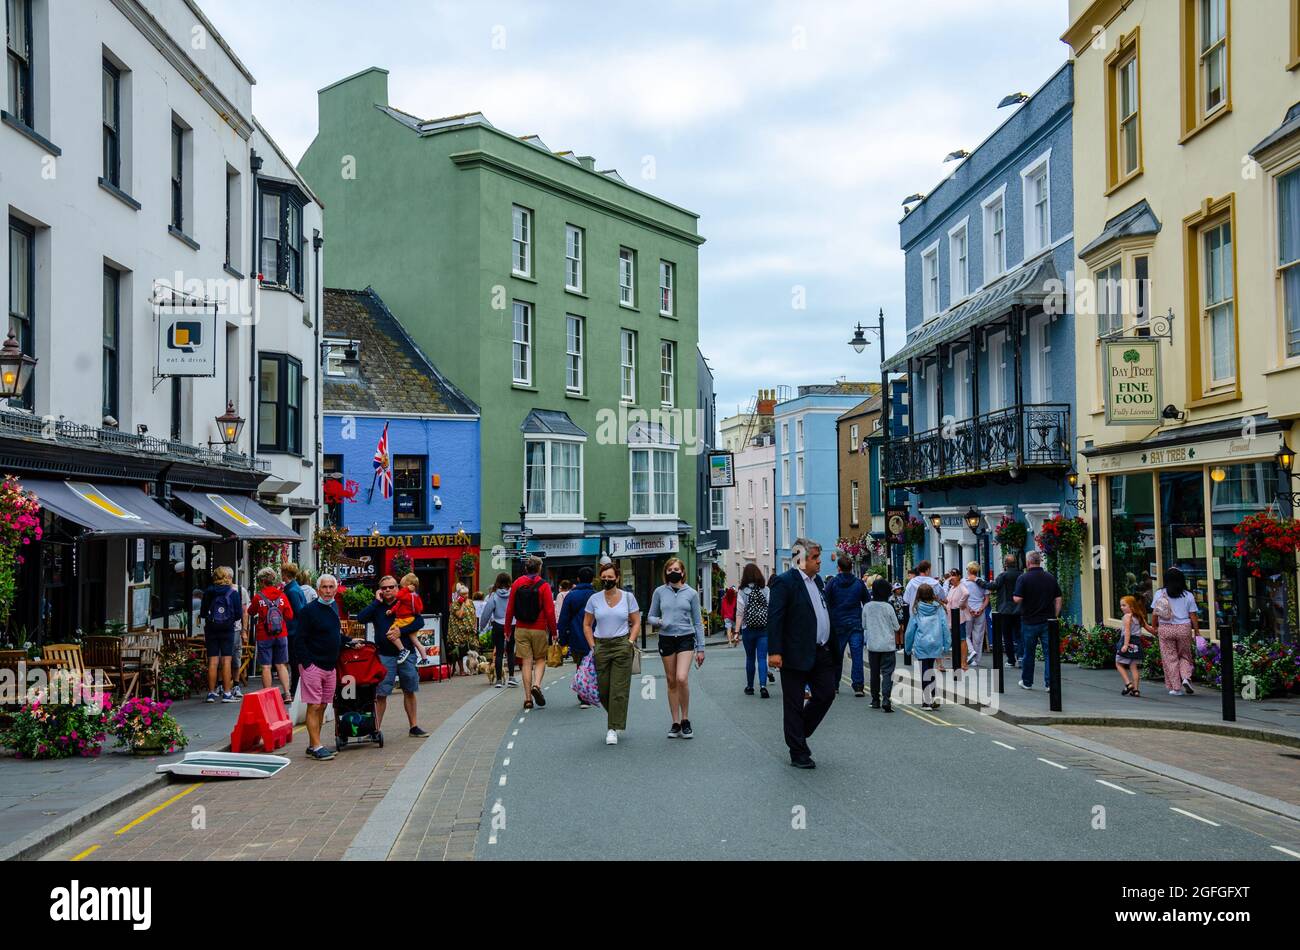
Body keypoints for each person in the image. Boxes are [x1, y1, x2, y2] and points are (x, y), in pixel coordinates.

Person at [767, 538, 835, 769]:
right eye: (815, 558)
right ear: (800, 559)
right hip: (794, 652)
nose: (819, 562)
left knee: (826, 694)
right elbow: (775, 618)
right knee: (794, 703)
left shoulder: (818, 583)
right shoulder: (784, 583)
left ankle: (798, 733)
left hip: (820, 651)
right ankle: (798, 751)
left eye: (818, 557)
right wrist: (774, 651)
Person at [355, 576, 430, 738]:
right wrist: (376, 602)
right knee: (381, 693)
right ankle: (375, 729)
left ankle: (414, 726)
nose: (387, 590)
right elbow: (360, 618)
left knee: (409, 690)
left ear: (397, 587)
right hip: (384, 655)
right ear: (379, 590)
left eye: (391, 587)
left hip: (407, 653)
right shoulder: (377, 607)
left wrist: (401, 631)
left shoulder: (406, 601)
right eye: (384, 588)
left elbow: (419, 622)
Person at [647, 557, 705, 739]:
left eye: (676, 569)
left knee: (681, 678)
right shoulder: (659, 592)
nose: (673, 571)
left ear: (682, 572)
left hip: (686, 638)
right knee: (671, 680)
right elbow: (650, 616)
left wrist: (701, 648)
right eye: (670, 569)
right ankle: (675, 722)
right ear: (665, 572)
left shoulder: (691, 593)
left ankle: (686, 719)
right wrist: (660, 622)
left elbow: (697, 622)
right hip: (666, 638)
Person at [583, 562, 641, 745]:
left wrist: (630, 642)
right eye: (604, 577)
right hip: (601, 646)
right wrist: (593, 646)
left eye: (610, 577)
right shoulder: (594, 599)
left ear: (617, 578)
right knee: (603, 690)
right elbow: (586, 624)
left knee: (618, 689)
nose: (607, 580)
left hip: (621, 645)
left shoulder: (628, 597)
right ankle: (616, 715)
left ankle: (612, 728)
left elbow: (636, 621)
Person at [296, 574, 352, 760]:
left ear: (335, 589)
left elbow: (333, 634)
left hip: (330, 666)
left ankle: (314, 744)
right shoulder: (308, 611)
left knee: (323, 706)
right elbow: (299, 640)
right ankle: (317, 746)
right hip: (313, 666)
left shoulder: (333, 607)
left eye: (331, 587)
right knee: (314, 706)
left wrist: (350, 641)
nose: (328, 591)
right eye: (324, 587)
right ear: (318, 589)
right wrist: (308, 665)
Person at [504, 556, 558, 710]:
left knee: (526, 662)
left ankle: (528, 699)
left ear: (526, 568)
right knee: (540, 659)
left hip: (521, 628)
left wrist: (508, 629)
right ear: (539, 568)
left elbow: (510, 609)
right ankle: (537, 685)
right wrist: (554, 631)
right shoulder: (544, 586)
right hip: (539, 628)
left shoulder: (517, 583)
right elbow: (549, 611)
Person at [1014, 551, 1063, 691]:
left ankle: (1027, 682)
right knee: (1050, 653)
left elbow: (1017, 598)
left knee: (1029, 653)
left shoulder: (1023, 578)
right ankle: (1050, 683)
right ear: (1040, 561)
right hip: (1048, 621)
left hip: (1029, 621)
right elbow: (1058, 598)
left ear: (1028, 562)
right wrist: (1055, 615)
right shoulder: (1050, 577)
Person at [247, 567, 294, 703]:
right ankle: (287, 694)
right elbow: (289, 615)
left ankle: (268, 697)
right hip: (281, 634)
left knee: (266, 666)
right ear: (273, 580)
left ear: (262, 581)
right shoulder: (282, 596)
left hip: (264, 635)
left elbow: (250, 612)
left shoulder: (258, 597)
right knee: (281, 665)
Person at [825, 556, 869, 697]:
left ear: (839, 568)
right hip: (856, 623)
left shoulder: (832, 583)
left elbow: (825, 602)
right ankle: (858, 686)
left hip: (838, 624)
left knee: (837, 656)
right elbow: (867, 601)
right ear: (851, 568)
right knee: (857, 656)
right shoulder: (859, 583)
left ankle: (835, 685)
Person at [1152, 567, 1199, 696]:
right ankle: (1185, 678)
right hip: (1183, 627)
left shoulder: (1160, 593)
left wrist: (1154, 627)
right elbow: (1193, 615)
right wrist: (1197, 632)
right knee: (1185, 655)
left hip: (1166, 628)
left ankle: (1175, 688)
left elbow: (1155, 613)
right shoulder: (1188, 595)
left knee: (1170, 658)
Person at [199, 566, 242, 703]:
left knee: (213, 661)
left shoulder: (208, 591)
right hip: (227, 629)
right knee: (226, 660)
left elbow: (203, 612)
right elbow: (239, 614)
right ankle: (227, 693)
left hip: (211, 628)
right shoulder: (233, 592)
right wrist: (227, 621)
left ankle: (211, 693)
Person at [556, 566, 597, 705]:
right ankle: (592, 692)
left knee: (581, 665)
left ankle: (583, 695)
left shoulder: (571, 596)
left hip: (576, 635)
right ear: (592, 579)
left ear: (578, 579)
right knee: (595, 665)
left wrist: (562, 638)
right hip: (595, 634)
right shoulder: (596, 595)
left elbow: (563, 619)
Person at [904, 584, 947, 710]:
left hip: (922, 643)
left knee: (925, 670)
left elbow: (910, 630)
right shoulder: (938, 607)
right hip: (935, 642)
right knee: (930, 668)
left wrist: (907, 647)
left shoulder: (916, 608)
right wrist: (947, 643)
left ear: (918, 595)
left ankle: (926, 701)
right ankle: (934, 696)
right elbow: (944, 626)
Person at [863, 578, 902, 711]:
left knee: (874, 673)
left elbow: (863, 625)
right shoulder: (888, 607)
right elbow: (896, 627)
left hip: (873, 645)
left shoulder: (867, 606)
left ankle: (875, 700)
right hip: (888, 646)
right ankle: (886, 699)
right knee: (887, 673)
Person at [978, 554, 1022, 667]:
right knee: (1019, 635)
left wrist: (978, 581)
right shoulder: (1021, 575)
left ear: (1005, 564)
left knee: (1007, 635)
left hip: (1005, 609)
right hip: (1019, 609)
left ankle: (1011, 660)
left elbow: (993, 586)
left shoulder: (1003, 575)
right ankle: (1021, 657)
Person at [736, 563, 770, 698]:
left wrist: (736, 632)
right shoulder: (766, 590)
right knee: (762, 658)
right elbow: (771, 610)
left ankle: (750, 687)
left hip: (748, 629)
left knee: (750, 658)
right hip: (764, 629)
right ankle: (763, 686)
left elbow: (740, 613)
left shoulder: (742, 591)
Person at [479, 573, 517, 688]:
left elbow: (487, 612)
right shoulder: (513, 594)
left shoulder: (494, 596)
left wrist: (482, 626)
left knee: (499, 652)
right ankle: (511, 677)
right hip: (512, 624)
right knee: (510, 651)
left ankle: (499, 680)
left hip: (498, 625)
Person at [387, 573, 427, 665]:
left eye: (402, 586)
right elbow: (398, 604)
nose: (401, 588)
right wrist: (392, 611)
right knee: (415, 640)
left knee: (390, 633)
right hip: (410, 618)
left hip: (404, 619)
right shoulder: (415, 596)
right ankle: (424, 658)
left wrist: (406, 589)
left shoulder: (408, 595)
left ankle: (403, 650)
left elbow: (398, 597)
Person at [281, 563, 308, 698]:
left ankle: (294, 690)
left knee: (294, 661)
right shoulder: (294, 588)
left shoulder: (292, 591)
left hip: (293, 630)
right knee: (294, 661)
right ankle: (294, 689)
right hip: (295, 630)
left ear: (285, 574)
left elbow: (299, 611)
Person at [1115, 595, 1149, 698]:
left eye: (1124, 605)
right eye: (1121, 605)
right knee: (1133, 667)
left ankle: (1128, 683)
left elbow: (1127, 632)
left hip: (1127, 641)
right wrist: (1156, 632)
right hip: (1137, 642)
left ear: (1131, 606)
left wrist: (1125, 645)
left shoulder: (1127, 616)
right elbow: (1147, 627)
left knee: (1118, 663)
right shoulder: (1138, 617)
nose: (1122, 607)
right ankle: (1136, 690)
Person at [447, 584, 478, 673]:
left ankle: (473, 668)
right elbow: (460, 615)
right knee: (460, 651)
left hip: (470, 630)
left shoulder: (471, 602)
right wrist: (462, 604)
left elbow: (474, 614)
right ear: (459, 595)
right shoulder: (455, 604)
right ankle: (461, 670)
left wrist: (475, 625)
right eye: (463, 594)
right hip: (459, 631)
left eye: (467, 594)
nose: (466, 596)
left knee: (473, 648)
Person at [962, 562, 989, 667]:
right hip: (980, 611)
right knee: (978, 635)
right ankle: (976, 660)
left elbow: (963, 598)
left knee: (966, 634)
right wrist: (981, 609)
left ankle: (971, 650)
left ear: (968, 570)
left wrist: (970, 609)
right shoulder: (982, 582)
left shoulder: (963, 582)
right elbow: (987, 599)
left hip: (968, 610)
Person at [944, 569, 970, 672]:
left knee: (962, 639)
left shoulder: (961, 586)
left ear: (959, 576)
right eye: (950, 575)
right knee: (955, 641)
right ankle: (957, 662)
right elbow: (949, 603)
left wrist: (961, 604)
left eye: (954, 575)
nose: (952, 578)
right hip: (951, 618)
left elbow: (966, 594)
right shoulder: (952, 588)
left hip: (959, 618)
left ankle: (964, 662)